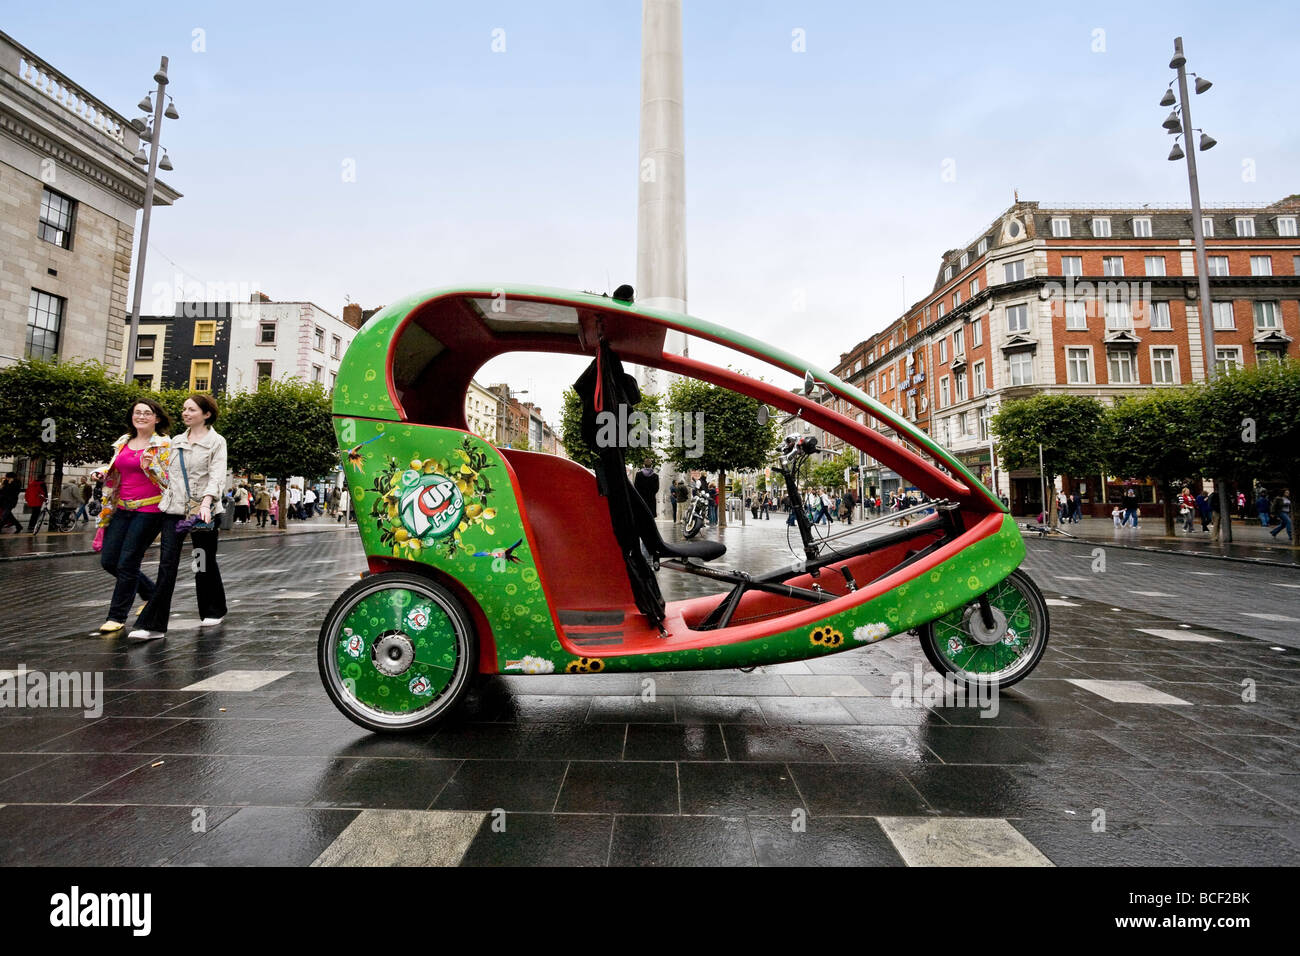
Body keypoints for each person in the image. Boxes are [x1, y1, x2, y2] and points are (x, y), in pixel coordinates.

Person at [130, 394, 229, 640]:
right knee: (167, 564)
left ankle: (213, 608)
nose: (185, 413)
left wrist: (206, 503)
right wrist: (151, 467)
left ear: (206, 414)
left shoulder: (217, 442)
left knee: (202, 560)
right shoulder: (175, 441)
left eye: (191, 409)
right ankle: (153, 625)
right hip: (174, 509)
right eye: (184, 409)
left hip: (201, 509)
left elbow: (216, 476)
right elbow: (171, 479)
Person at [96, 399, 172, 633]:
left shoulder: (164, 445)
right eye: (137, 412)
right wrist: (102, 472)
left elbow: (169, 481)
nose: (141, 416)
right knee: (109, 560)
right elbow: (116, 469)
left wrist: (152, 467)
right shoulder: (123, 442)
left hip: (149, 510)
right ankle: (149, 593)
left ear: (156, 418)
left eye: (147, 413)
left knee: (127, 562)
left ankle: (116, 617)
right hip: (121, 508)